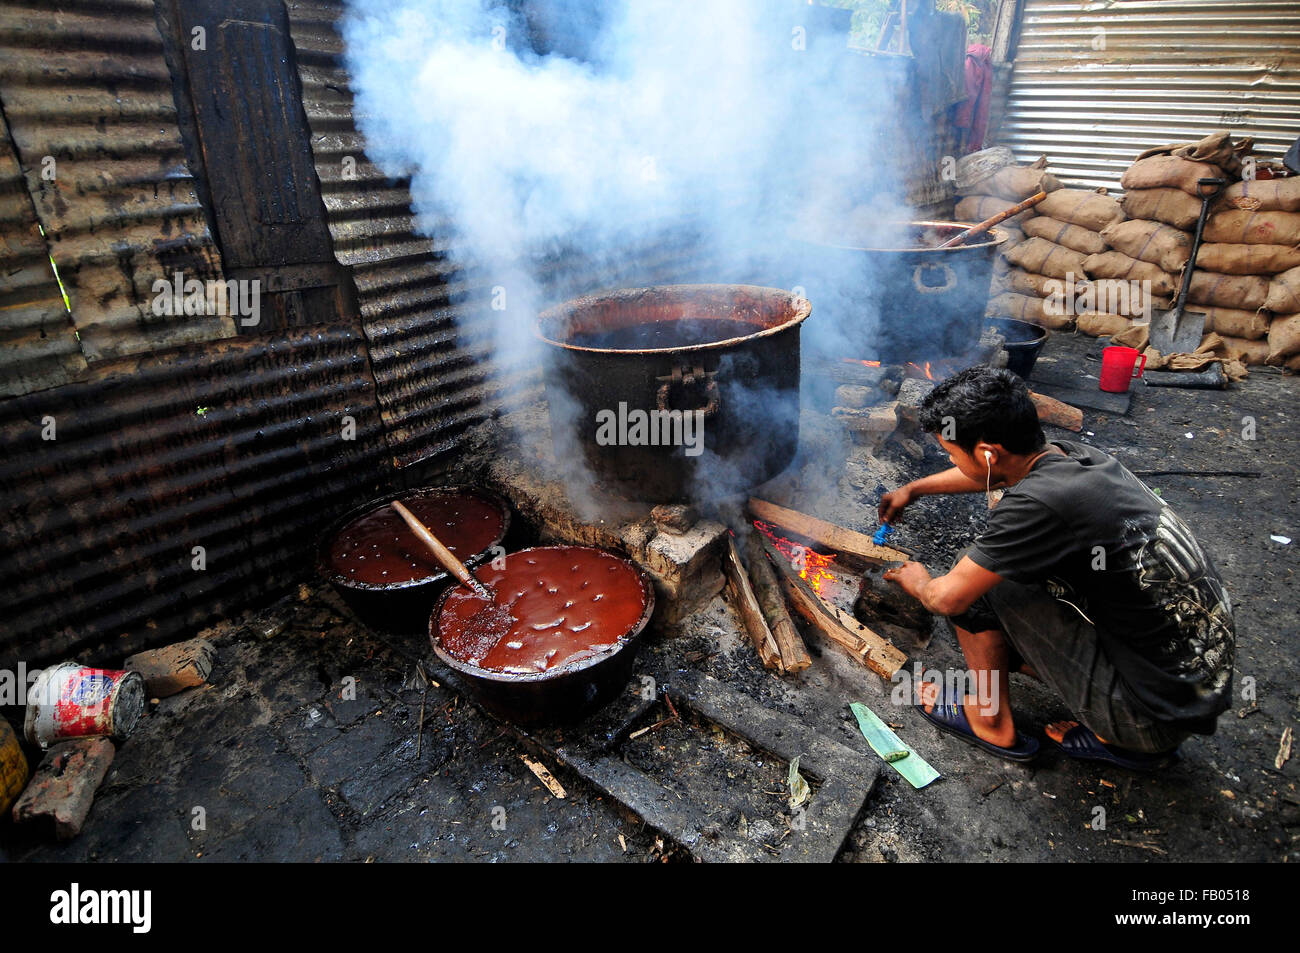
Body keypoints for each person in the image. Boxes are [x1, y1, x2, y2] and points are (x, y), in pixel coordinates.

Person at [878, 365, 1235, 769]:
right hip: (1193, 685)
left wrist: (919, 581)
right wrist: (914, 488)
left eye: (950, 452)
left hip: (1152, 719)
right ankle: (1099, 706)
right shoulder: (1076, 460)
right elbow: (992, 477)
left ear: (988, 453)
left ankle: (990, 720)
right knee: (1008, 569)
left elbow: (946, 598)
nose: (949, 458)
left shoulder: (1037, 506)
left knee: (978, 583)